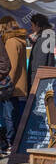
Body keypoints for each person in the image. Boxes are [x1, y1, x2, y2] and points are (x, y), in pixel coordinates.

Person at [1, 15, 30, 152]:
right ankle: (14, 141)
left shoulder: (11, 42)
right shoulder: (19, 40)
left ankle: (10, 142)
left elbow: (10, 67)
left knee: (9, 115)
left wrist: (5, 84)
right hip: (18, 84)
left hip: (11, 85)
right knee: (14, 113)